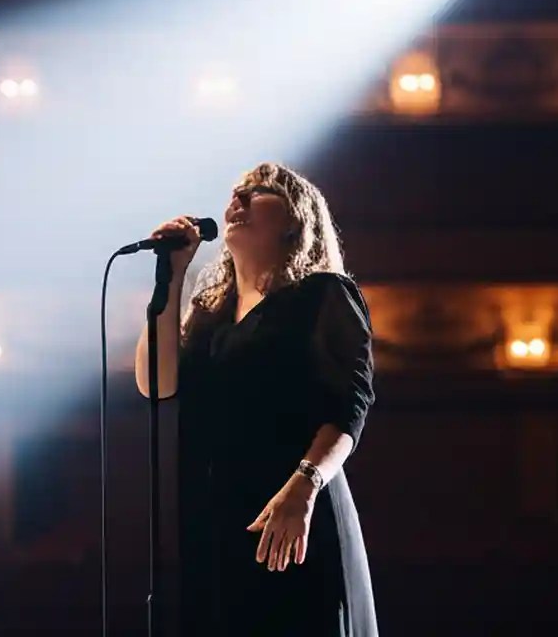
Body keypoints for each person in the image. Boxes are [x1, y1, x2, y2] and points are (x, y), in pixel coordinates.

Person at [134, 162, 378, 636]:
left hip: (291, 514)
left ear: (295, 220)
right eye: (235, 193)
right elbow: (156, 383)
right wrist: (172, 274)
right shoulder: (212, 316)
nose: (238, 201)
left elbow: (349, 406)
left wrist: (304, 488)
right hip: (217, 521)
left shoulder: (323, 294)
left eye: (258, 191)